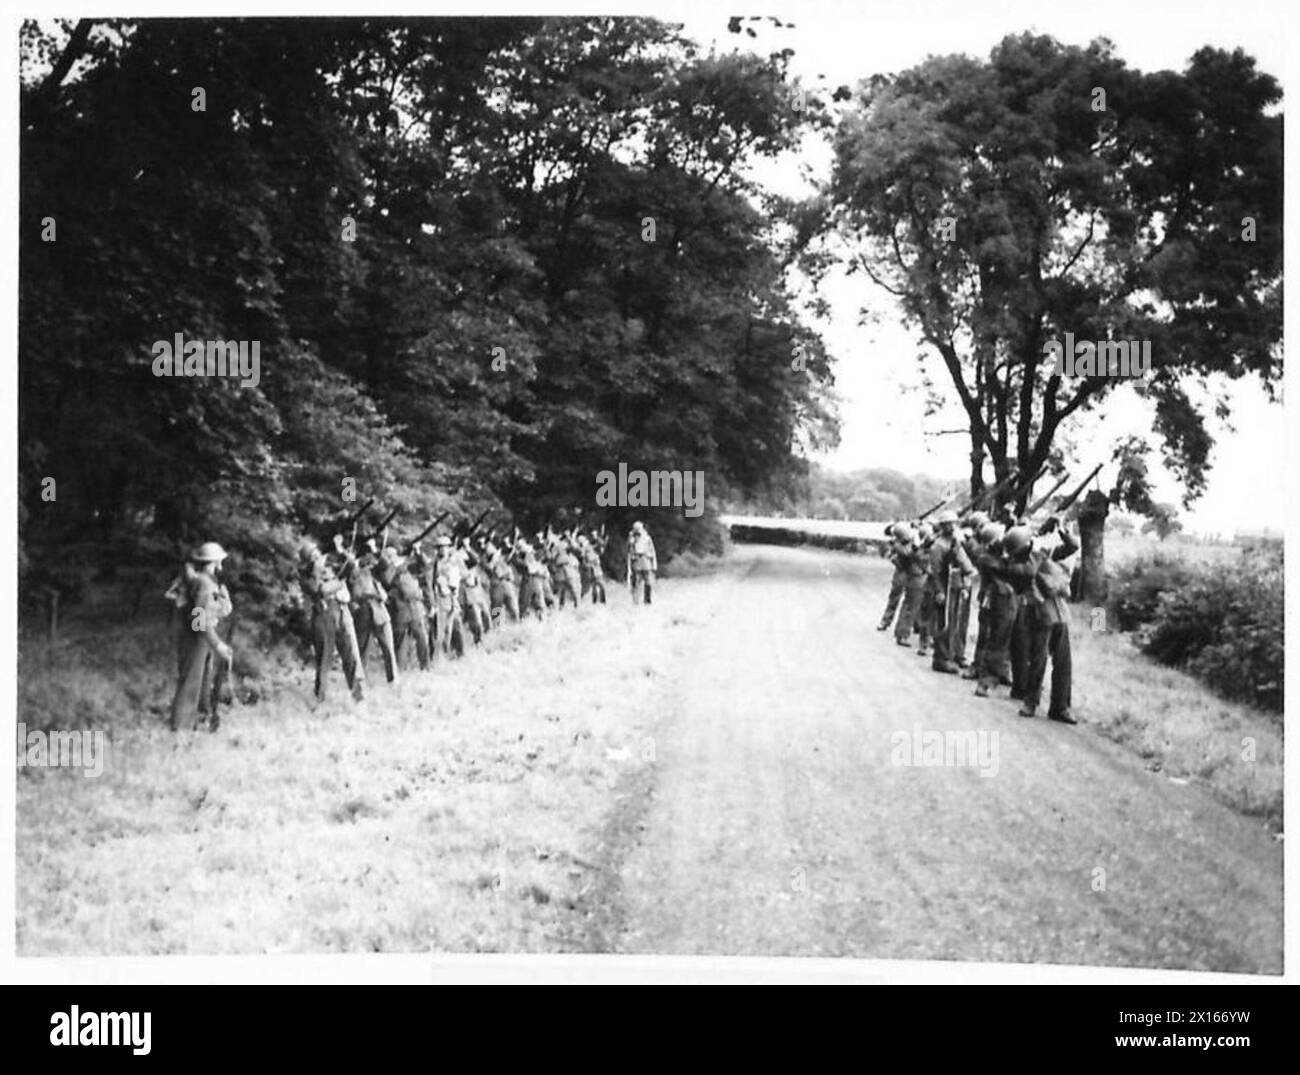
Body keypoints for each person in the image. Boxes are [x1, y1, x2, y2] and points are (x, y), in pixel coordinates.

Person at [167, 541, 234, 732]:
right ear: (214, 562)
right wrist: (217, 644)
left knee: (202, 680)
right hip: (195, 638)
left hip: (199, 637)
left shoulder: (207, 581)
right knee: (190, 682)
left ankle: (198, 719)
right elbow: (200, 620)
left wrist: (223, 600)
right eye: (220, 560)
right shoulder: (205, 584)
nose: (221, 564)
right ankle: (180, 728)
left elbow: (214, 611)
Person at [299, 541, 365, 703]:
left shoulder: (327, 569)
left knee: (350, 656)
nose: (317, 557)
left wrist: (348, 559)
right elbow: (321, 590)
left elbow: (347, 572)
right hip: (323, 617)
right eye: (313, 556)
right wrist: (338, 582)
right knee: (324, 661)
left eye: (317, 553)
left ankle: (358, 696)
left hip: (340, 613)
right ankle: (319, 699)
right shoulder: (306, 577)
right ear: (308, 561)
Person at [336, 534, 398, 685]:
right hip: (363, 611)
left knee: (388, 647)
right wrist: (342, 550)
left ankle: (393, 680)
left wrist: (375, 549)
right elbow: (349, 565)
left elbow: (384, 563)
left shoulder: (374, 571)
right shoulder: (355, 571)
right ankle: (360, 680)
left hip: (378, 609)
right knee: (362, 648)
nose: (367, 561)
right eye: (365, 556)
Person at [376, 544, 430, 671]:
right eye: (391, 556)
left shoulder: (402, 568)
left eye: (394, 555)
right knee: (401, 643)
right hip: (400, 611)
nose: (394, 558)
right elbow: (389, 581)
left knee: (420, 638)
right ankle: (401, 670)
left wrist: (417, 552)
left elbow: (424, 567)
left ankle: (424, 666)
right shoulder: (386, 571)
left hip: (412, 609)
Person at [878, 522, 912, 631]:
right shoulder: (896, 545)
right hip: (902, 571)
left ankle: (913, 625)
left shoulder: (907, 540)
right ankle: (885, 621)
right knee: (895, 597)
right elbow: (906, 553)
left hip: (913, 571)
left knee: (913, 600)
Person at [626, 521, 657, 605]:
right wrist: (629, 567)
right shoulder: (631, 538)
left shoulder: (647, 538)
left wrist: (654, 564)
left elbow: (652, 551)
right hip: (636, 563)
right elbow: (629, 552)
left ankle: (647, 601)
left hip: (646, 562)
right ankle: (635, 602)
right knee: (636, 583)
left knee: (648, 583)